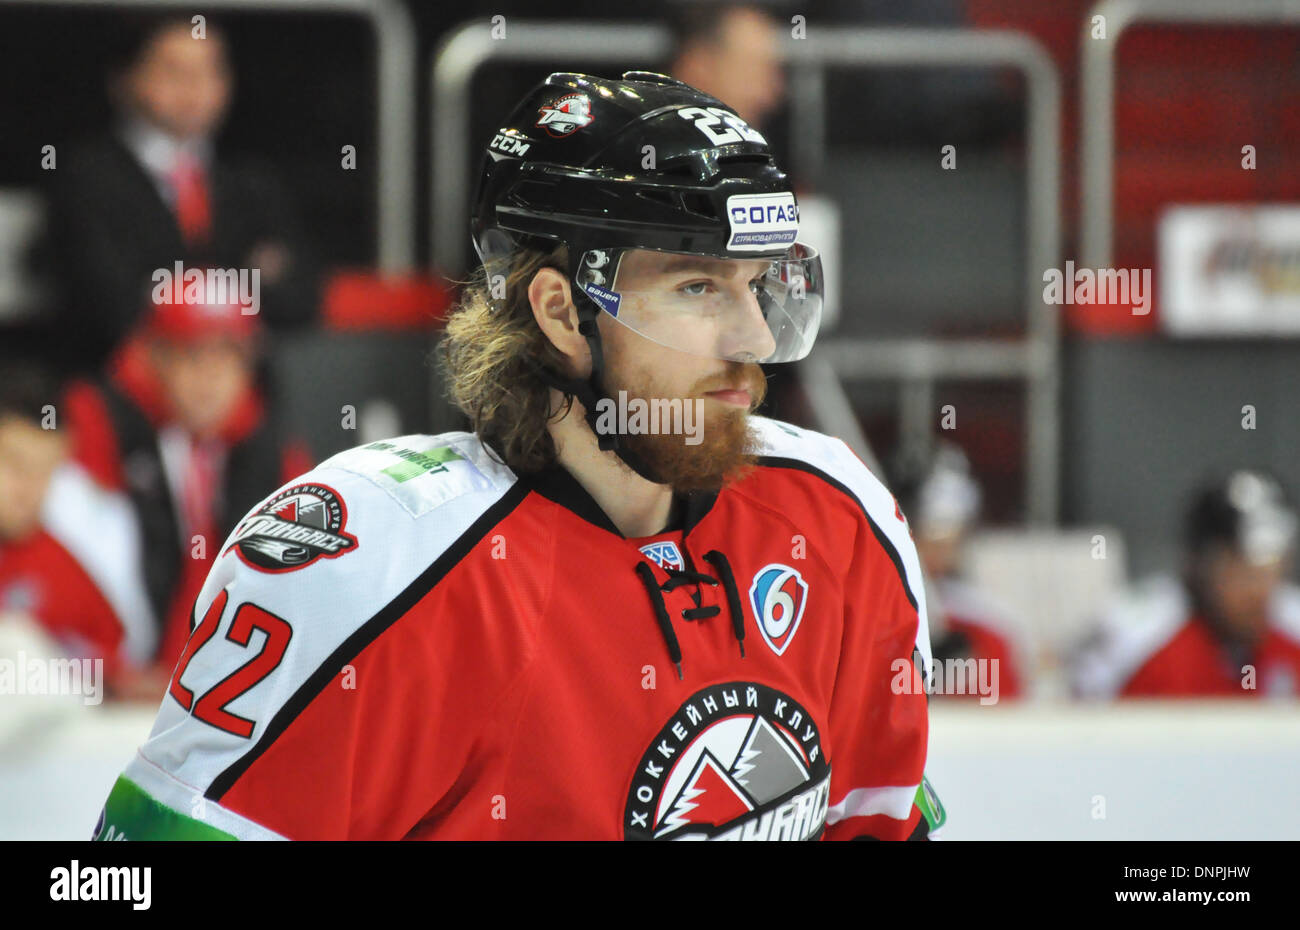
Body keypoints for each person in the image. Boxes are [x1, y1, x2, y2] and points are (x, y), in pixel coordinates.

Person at [93, 71, 944, 841]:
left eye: (756, 285)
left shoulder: (835, 518)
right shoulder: (372, 565)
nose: (754, 340)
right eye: (697, 287)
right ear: (562, 312)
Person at [64, 292, 311, 694]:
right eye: (192, 355)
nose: (210, 377)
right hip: (117, 693)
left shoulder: (274, 454)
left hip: (234, 692)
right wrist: (110, 673)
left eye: (227, 357)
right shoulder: (99, 432)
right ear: (155, 359)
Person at [40, 13, 318, 371]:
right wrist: (241, 283)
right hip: (121, 391)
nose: (195, 88)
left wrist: (171, 289)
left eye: (210, 70)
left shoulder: (251, 181)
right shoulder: (86, 179)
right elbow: (110, 305)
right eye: (174, 71)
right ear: (123, 79)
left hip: (240, 398)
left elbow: (302, 296)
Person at [1072, 470, 1300, 699]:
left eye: (1272, 572)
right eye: (1241, 570)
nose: (1259, 592)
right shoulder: (1141, 637)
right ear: (1200, 565)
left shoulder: (1290, 625)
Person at [0, 362, 156, 694]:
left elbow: (110, 665)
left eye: (45, 471)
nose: (29, 488)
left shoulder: (58, 562)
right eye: (15, 463)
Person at [893, 441, 1024, 701]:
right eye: (932, 538)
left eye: (950, 539)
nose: (941, 551)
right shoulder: (876, 616)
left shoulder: (986, 629)